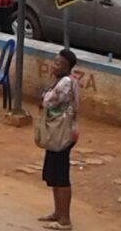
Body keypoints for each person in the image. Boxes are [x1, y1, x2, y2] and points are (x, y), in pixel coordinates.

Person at [38, 48, 79, 231]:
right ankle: (58, 212)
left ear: (67, 67)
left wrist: (46, 93)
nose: (54, 66)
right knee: (55, 174)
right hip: (61, 131)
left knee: (61, 176)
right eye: (55, 62)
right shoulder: (64, 81)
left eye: (59, 64)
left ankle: (65, 220)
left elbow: (47, 101)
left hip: (62, 132)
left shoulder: (64, 83)